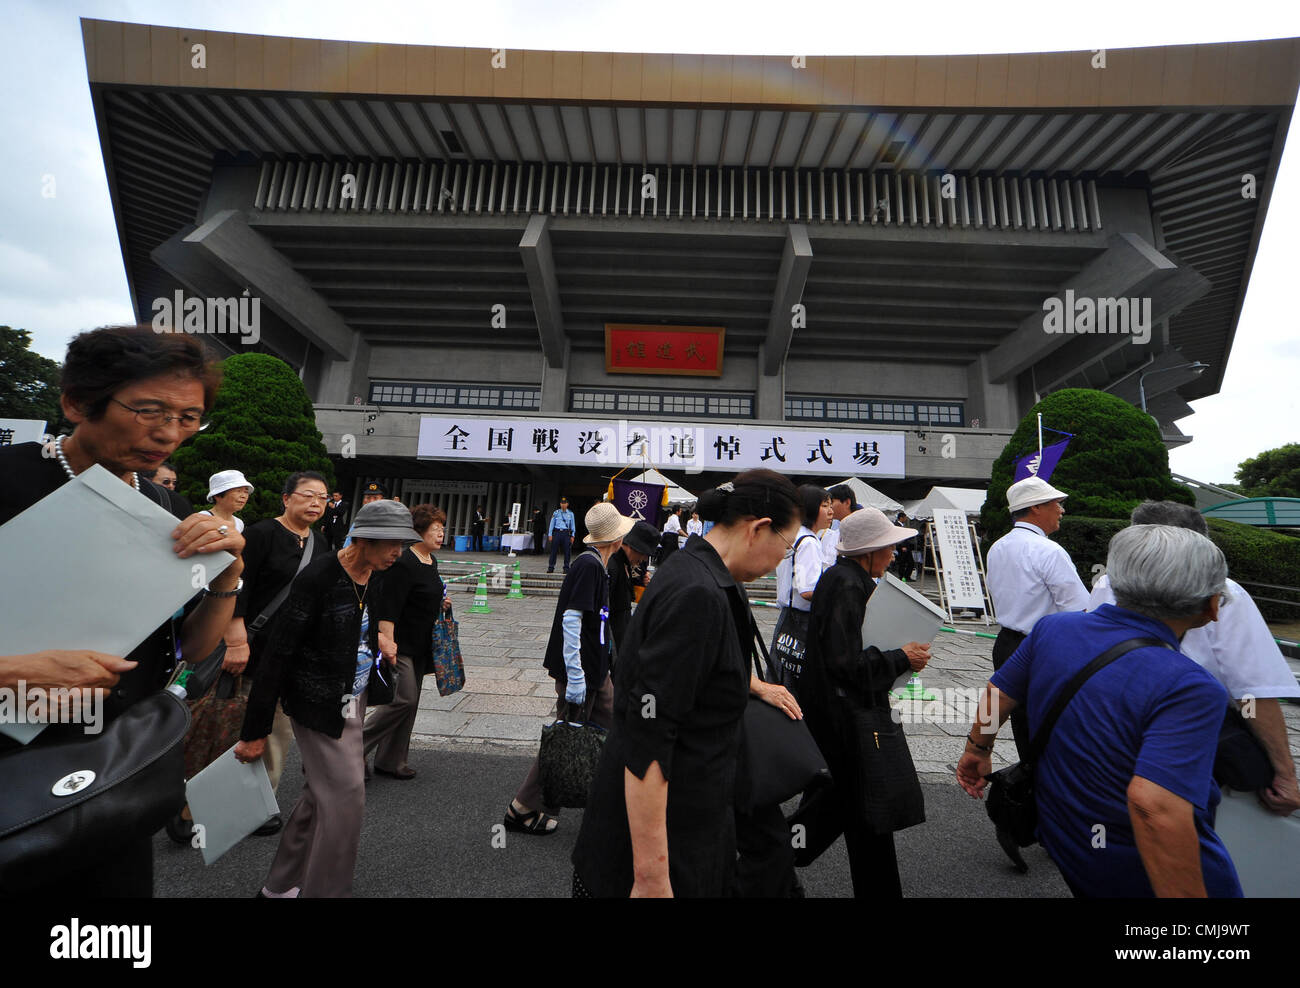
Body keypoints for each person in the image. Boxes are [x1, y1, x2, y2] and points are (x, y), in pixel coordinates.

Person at [0, 325, 243, 896]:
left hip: (110, 771)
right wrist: (12, 674)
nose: (169, 433)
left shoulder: (167, 508)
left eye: (189, 418)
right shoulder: (9, 481)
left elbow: (190, 649)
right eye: (149, 410)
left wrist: (226, 578)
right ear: (77, 402)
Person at [958, 525, 1243, 898]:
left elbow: (999, 692)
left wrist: (978, 748)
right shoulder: (1191, 686)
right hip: (1138, 864)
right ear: (1210, 607)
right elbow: (1155, 806)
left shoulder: (1053, 630)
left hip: (1068, 838)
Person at [570, 470, 803, 897]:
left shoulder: (701, 571)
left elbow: (692, 672)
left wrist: (750, 684)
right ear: (759, 529)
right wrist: (652, 878)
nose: (779, 562)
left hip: (693, 820)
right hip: (664, 846)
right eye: (786, 547)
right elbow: (649, 736)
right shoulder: (698, 593)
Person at [234, 500, 419, 898]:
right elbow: (277, 655)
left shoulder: (376, 572)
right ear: (364, 538)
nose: (398, 553)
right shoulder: (318, 577)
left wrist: (380, 640)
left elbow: (365, 621)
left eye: (404, 545)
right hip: (317, 702)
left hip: (355, 695)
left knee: (319, 796)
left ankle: (280, 886)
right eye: (392, 543)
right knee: (347, 795)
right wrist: (255, 730)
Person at [1088, 501, 1300, 814]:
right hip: (1185, 736)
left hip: (1108, 726)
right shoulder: (1226, 592)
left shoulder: (1109, 582)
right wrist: (1285, 773)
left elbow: (999, 695)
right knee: (1176, 821)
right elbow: (1253, 692)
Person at [801, 508, 932, 898]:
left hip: (836, 711)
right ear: (870, 551)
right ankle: (763, 865)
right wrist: (900, 658)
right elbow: (845, 662)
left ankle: (768, 863)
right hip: (846, 716)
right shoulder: (848, 584)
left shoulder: (845, 578)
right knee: (862, 808)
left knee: (851, 806)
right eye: (889, 547)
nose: (893, 554)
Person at [505, 502, 634, 835]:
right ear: (616, 539)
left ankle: (612, 801)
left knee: (611, 732)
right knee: (565, 736)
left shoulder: (598, 565)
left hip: (597, 670)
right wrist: (575, 675)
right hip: (583, 672)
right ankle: (522, 807)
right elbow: (572, 620)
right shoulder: (588, 566)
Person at [983, 476, 1090, 870]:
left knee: (1028, 736)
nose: (1061, 509)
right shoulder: (1049, 551)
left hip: (1008, 643)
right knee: (1057, 738)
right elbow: (1079, 612)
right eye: (1055, 503)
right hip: (1045, 647)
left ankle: (1026, 815)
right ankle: (1031, 818)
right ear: (1035, 509)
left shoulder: (999, 546)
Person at [220, 471, 331, 837]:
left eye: (323, 498)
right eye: (308, 495)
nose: (316, 503)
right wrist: (236, 637)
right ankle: (204, 798)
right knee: (240, 723)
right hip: (252, 646)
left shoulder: (321, 543)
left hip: (291, 653)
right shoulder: (261, 534)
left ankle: (257, 802)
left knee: (277, 731)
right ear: (286, 499)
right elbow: (237, 587)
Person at [363, 504, 451, 780]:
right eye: (435, 529)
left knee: (410, 704)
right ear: (418, 532)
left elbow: (425, 594)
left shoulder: (430, 561)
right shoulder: (404, 562)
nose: (441, 534)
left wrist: (442, 602)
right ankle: (350, 748)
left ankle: (391, 760)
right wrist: (386, 641)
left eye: (442, 529)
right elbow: (388, 604)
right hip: (398, 643)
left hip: (421, 643)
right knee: (403, 698)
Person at [770, 484, 832, 693]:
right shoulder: (809, 542)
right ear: (812, 508)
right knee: (792, 683)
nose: (830, 511)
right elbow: (807, 591)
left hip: (788, 618)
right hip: (800, 622)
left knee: (779, 675)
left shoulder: (795, 535)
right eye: (825, 505)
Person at [608, 520, 659, 651]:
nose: (642, 560)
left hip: (622, 634)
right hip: (611, 635)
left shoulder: (626, 564)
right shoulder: (613, 565)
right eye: (644, 555)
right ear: (634, 547)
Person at [200, 469, 253, 535]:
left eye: (246, 492)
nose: (243, 496)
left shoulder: (239, 523)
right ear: (218, 495)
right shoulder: (202, 519)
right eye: (238, 491)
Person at [819, 483, 854, 568]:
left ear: (847, 502)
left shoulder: (859, 531)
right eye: (826, 505)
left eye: (832, 503)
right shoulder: (836, 533)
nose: (830, 509)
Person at [547, 496, 576, 573]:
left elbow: (573, 525)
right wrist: (550, 534)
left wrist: (573, 535)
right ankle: (551, 567)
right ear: (560, 504)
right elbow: (551, 524)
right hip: (557, 533)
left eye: (565, 503)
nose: (563, 505)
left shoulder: (571, 514)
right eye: (562, 503)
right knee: (554, 550)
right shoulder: (556, 513)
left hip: (566, 533)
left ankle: (566, 568)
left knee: (567, 551)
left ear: (567, 504)